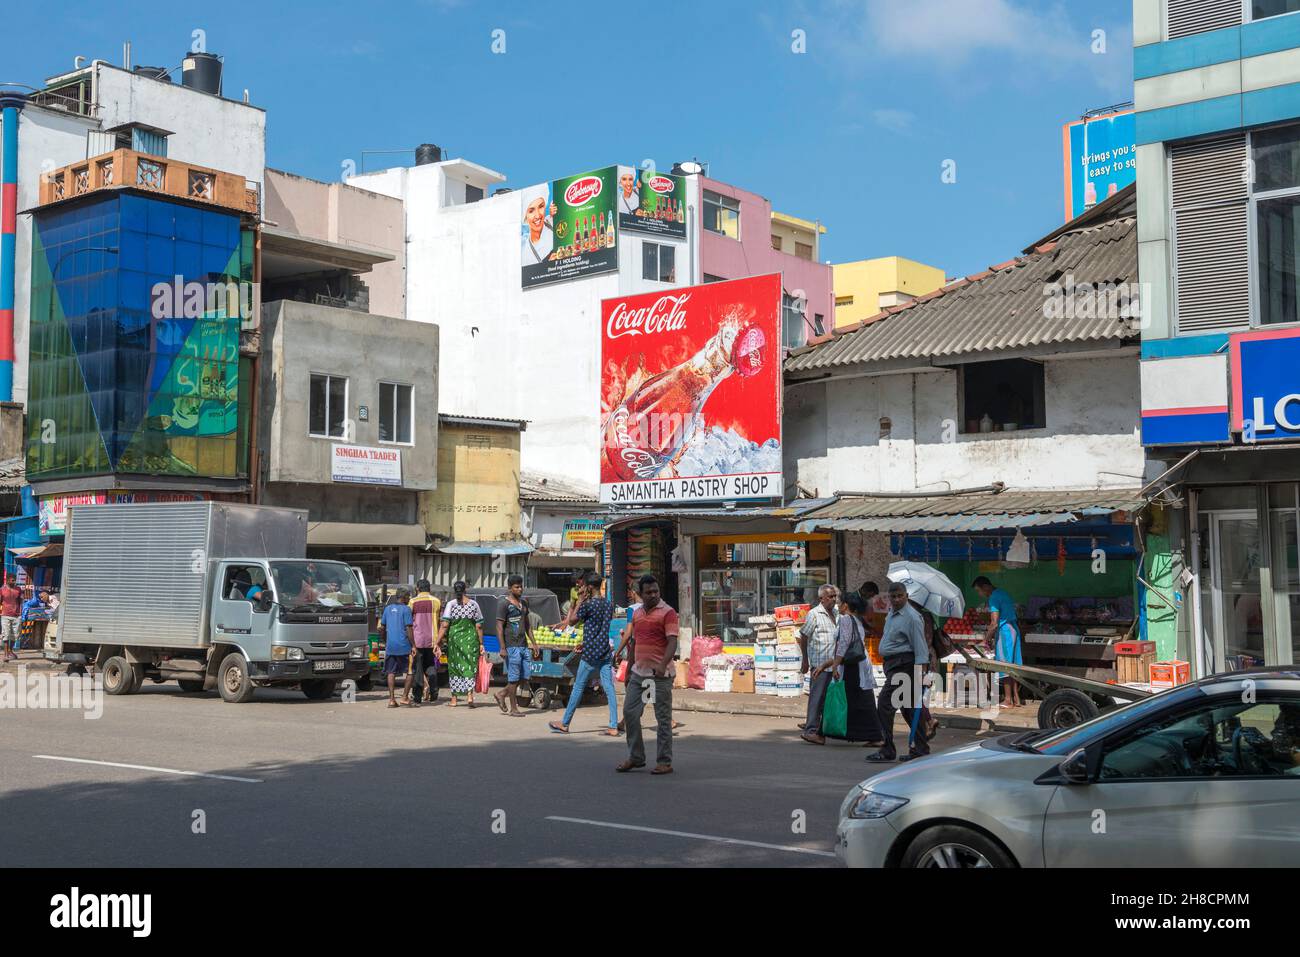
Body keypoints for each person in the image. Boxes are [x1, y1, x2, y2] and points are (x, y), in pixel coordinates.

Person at [613, 574, 678, 774]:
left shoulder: (668, 612)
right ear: (640, 594)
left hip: (660, 676)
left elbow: (672, 642)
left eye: (655, 591)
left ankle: (664, 761)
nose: (653, 595)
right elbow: (635, 643)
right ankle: (636, 757)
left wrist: (662, 664)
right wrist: (630, 668)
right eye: (648, 592)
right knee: (630, 713)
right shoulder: (638, 614)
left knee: (662, 718)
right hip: (639, 675)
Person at [810, 592, 886, 746]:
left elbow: (843, 644)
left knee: (839, 697)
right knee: (859, 700)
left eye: (840, 602)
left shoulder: (845, 620)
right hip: (857, 665)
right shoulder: (856, 621)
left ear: (846, 605)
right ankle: (874, 735)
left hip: (852, 668)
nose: (838, 604)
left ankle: (821, 733)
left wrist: (835, 664)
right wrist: (828, 664)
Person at [868, 582, 931, 763]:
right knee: (909, 708)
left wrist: (921, 674)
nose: (896, 600)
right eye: (893, 597)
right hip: (894, 665)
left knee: (884, 705)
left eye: (899, 596)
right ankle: (920, 749)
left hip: (904, 666)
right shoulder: (892, 613)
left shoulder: (912, 617)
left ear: (906, 596)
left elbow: (920, 647)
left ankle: (887, 749)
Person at [550, 571, 619, 735]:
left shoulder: (588, 605)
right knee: (609, 687)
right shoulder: (609, 604)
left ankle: (565, 723)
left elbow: (572, 621)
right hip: (604, 651)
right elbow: (599, 628)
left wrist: (580, 600)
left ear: (588, 587)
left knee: (578, 687)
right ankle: (613, 725)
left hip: (590, 653)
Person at [797, 584, 841, 744]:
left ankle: (823, 728)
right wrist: (805, 661)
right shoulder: (814, 614)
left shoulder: (837, 613)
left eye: (835, 596)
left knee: (829, 699)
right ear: (821, 598)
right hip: (819, 665)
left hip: (834, 664)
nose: (834, 599)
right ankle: (811, 730)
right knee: (817, 698)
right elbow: (803, 636)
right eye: (830, 597)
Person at [974, 576, 1023, 708]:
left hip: (1005, 631)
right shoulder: (1003, 593)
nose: (980, 594)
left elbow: (994, 624)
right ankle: (1016, 698)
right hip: (1014, 630)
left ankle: (1007, 700)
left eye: (979, 591)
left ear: (985, 587)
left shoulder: (993, 598)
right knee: (1012, 665)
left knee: (1004, 665)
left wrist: (985, 640)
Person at [495, 575, 538, 716]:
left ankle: (501, 693)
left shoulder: (524, 604)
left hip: (524, 645)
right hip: (511, 646)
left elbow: (527, 625)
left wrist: (534, 643)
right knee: (513, 679)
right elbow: (499, 627)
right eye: (517, 587)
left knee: (525, 676)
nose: (520, 589)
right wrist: (502, 647)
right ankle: (513, 709)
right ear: (510, 588)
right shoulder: (504, 604)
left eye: (521, 586)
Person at [439, 581, 484, 707]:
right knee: (469, 667)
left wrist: (438, 641)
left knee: (455, 668)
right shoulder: (474, 604)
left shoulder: (451, 604)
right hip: (471, 640)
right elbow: (479, 625)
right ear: (466, 590)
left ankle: (454, 699)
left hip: (455, 641)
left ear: (455, 590)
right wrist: (481, 643)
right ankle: (470, 696)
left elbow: (445, 624)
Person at [909, 598, 942, 742]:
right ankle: (926, 724)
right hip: (931, 658)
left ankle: (927, 721)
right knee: (920, 695)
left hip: (921, 660)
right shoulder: (928, 616)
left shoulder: (913, 618)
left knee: (915, 696)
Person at [380, 589, 415, 708]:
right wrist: (414, 645)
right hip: (404, 646)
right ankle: (405, 698)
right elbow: (409, 629)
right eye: (408, 596)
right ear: (404, 597)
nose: (409, 599)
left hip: (391, 646)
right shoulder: (406, 609)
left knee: (391, 672)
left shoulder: (387, 609)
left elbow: (382, 628)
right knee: (410, 671)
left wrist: (386, 641)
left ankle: (391, 699)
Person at [409, 580, 442, 704]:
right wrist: (439, 642)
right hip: (433, 639)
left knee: (418, 668)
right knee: (430, 665)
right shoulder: (436, 602)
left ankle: (417, 696)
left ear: (418, 588)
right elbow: (439, 621)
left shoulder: (412, 602)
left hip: (417, 640)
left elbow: (409, 622)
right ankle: (434, 690)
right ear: (430, 588)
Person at [522, 189, 557, 264]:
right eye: (531, 211)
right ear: (525, 216)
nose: (537, 215)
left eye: (541, 206)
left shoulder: (551, 221)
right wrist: (549, 265)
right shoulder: (526, 255)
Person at [1, 576, 22, 661]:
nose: (14, 582)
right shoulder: (2, 590)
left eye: (14, 580)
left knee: (15, 635)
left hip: (16, 616)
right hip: (5, 615)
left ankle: (10, 651)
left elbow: (20, 601)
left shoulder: (18, 589)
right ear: (8, 580)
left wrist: (20, 613)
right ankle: (6, 654)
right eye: (12, 580)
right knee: (6, 635)